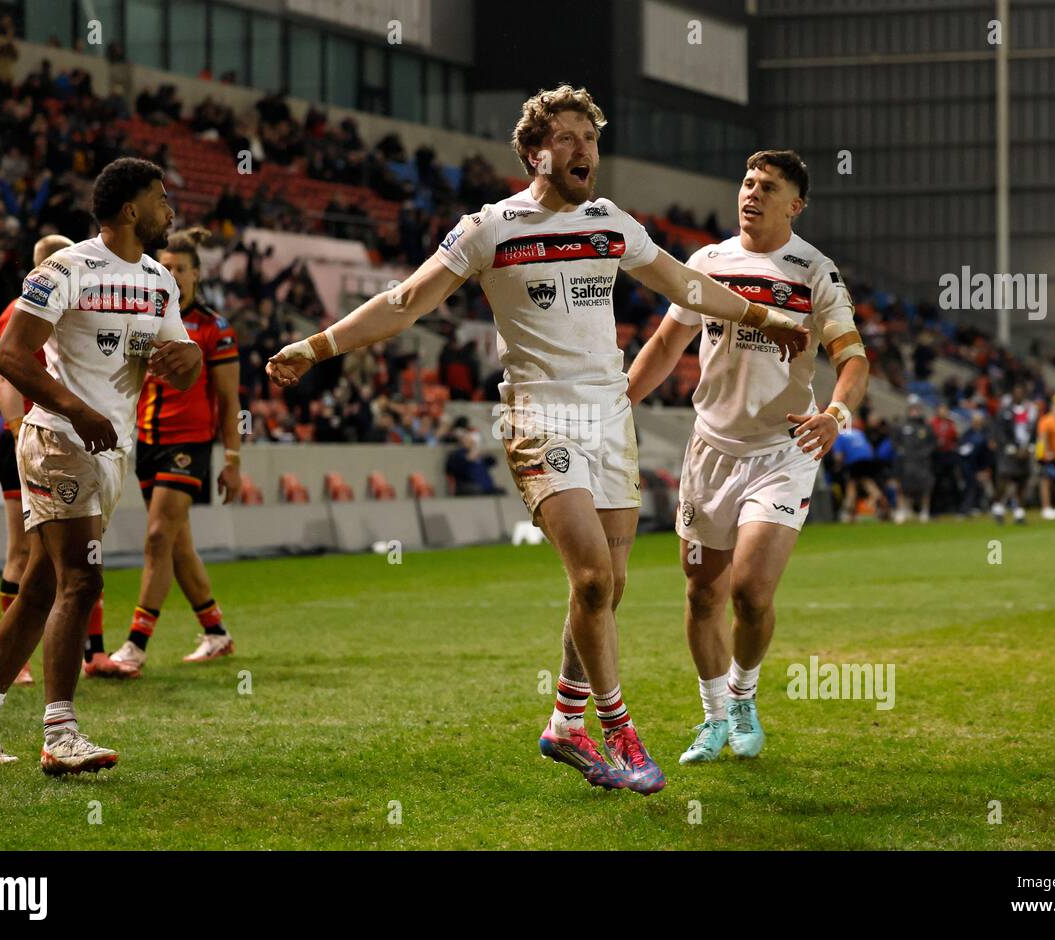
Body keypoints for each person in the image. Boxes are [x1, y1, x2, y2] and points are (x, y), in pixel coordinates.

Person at [265, 86, 809, 794]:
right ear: (534, 152)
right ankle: (618, 731)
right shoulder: (489, 228)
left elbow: (684, 284)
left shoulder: (610, 223)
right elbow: (405, 302)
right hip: (538, 417)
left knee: (607, 589)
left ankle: (564, 722)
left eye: (591, 136)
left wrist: (763, 319)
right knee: (588, 577)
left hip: (610, 417)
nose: (586, 149)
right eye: (570, 138)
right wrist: (317, 345)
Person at [0, 157, 201, 774]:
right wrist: (77, 410)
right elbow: (11, 356)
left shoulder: (158, 281)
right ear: (130, 210)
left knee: (39, 588)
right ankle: (60, 734)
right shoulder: (65, 268)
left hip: (109, 450)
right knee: (81, 582)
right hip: (59, 436)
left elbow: (185, 356)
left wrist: (183, 361)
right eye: (160, 198)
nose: (170, 210)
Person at [625, 149, 868, 764]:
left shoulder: (815, 271)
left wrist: (835, 415)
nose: (751, 194)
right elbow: (664, 343)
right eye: (747, 182)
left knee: (751, 592)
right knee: (702, 591)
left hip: (781, 451)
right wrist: (619, 401)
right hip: (711, 449)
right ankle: (710, 717)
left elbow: (853, 360)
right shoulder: (706, 264)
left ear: (796, 204)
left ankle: (742, 697)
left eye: (767, 187)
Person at [0, 234, 130, 683]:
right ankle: (39, 691)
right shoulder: (22, 309)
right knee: (51, 563)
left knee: (62, 565)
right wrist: (16, 432)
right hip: (38, 437)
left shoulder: (82, 307)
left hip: (73, 438)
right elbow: (8, 373)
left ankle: (93, 652)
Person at [108, 227, 242, 675]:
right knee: (178, 546)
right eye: (166, 267)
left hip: (188, 443)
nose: (173, 274)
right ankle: (216, 632)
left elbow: (229, 401)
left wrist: (233, 461)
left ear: (197, 275)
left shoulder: (214, 328)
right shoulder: (142, 319)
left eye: (181, 268)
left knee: (158, 537)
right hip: (146, 441)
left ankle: (135, 645)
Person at [992, 384, 1036, 524]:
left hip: (1024, 450)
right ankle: (998, 507)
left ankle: (1019, 512)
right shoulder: (1005, 411)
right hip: (1008, 450)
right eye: (1016, 393)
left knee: (1022, 481)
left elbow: (1033, 431)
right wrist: (1010, 447)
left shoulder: (1030, 411)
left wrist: (1029, 447)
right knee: (1004, 478)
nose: (1019, 395)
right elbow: (1000, 431)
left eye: (1021, 393)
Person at [892, 395, 937, 523]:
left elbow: (932, 443)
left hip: (923, 462)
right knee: (904, 487)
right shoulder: (901, 426)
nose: (915, 411)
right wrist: (901, 451)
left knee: (925, 487)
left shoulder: (926, 427)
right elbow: (895, 442)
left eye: (917, 408)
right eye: (913, 408)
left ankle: (924, 511)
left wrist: (925, 453)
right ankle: (904, 510)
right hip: (906, 462)